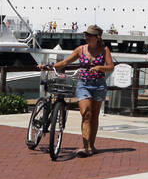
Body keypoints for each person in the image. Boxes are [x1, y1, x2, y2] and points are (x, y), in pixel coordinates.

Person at [39, 24, 113, 158]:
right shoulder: (80, 49)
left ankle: (91, 146)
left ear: (97, 37)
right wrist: (48, 67)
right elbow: (65, 62)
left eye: (90, 35)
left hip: (99, 85)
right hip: (83, 84)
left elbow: (111, 67)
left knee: (94, 116)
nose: (87, 37)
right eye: (86, 35)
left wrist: (100, 67)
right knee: (86, 113)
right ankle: (86, 147)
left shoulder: (104, 50)